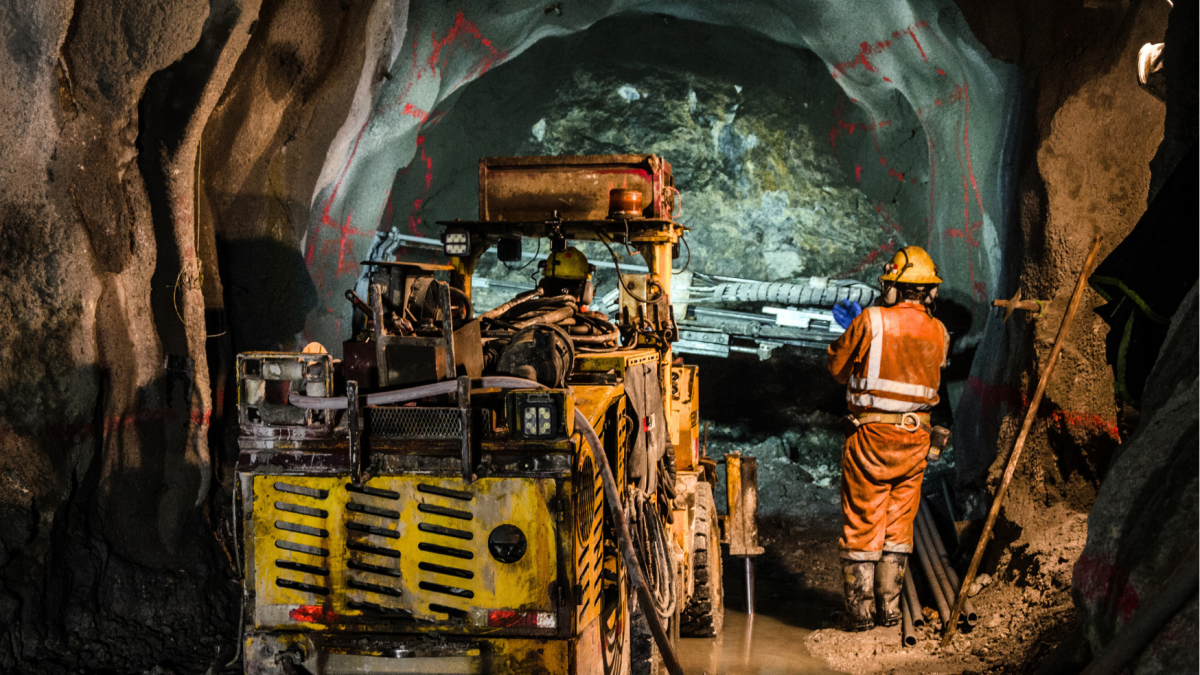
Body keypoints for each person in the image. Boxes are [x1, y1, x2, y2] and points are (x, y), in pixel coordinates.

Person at [827, 246, 950, 631]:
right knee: (900, 522)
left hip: (872, 437)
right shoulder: (939, 331)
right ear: (929, 292)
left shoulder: (871, 321)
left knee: (864, 517)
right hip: (917, 439)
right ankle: (891, 609)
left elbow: (837, 369)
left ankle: (859, 612)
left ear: (893, 287)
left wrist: (849, 333)